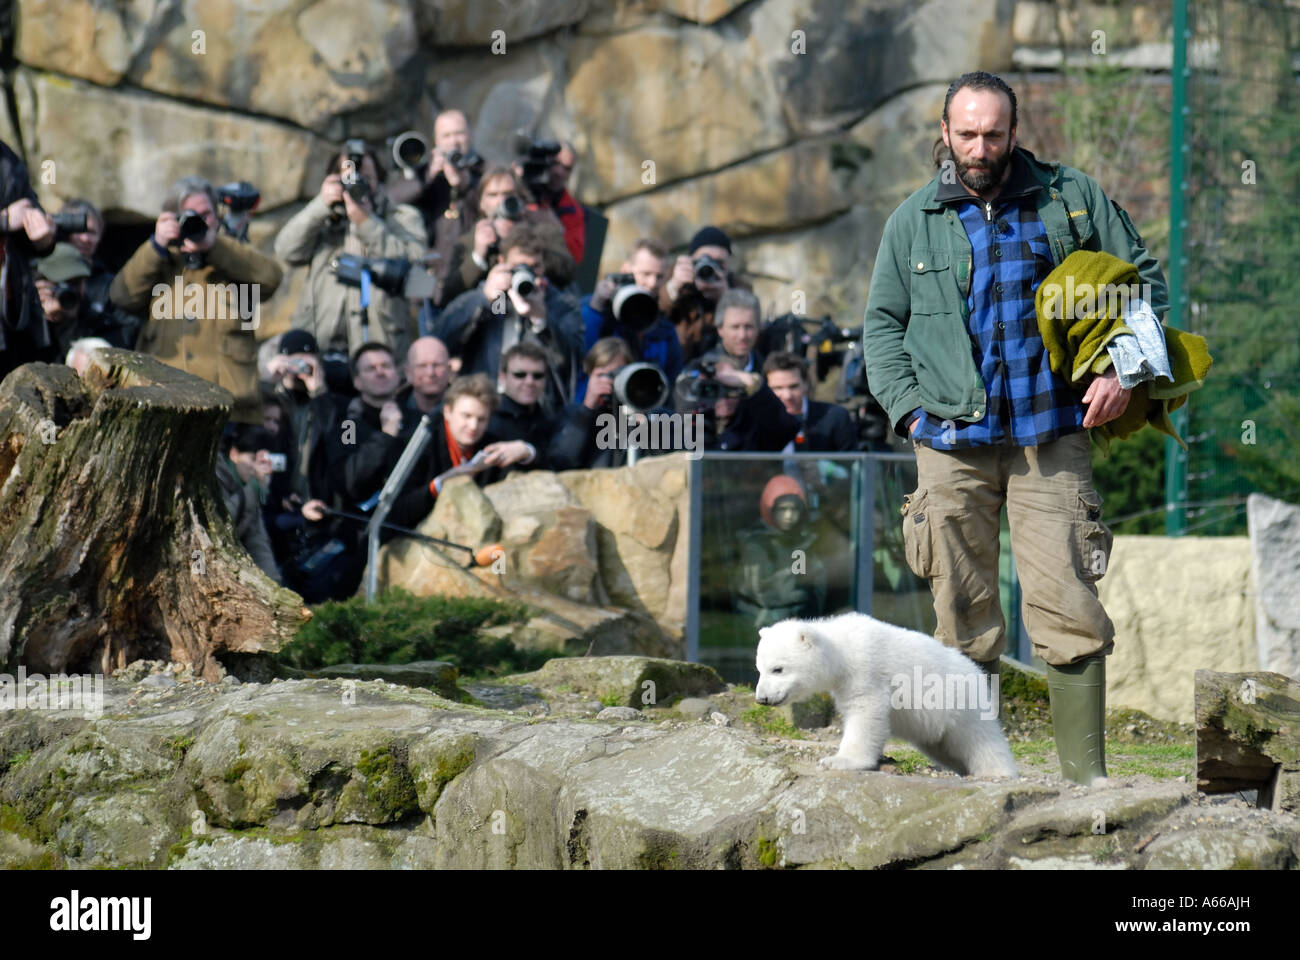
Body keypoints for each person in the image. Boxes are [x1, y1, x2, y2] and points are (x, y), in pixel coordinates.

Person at [862, 71, 1169, 786]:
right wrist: (909, 411)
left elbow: (1144, 282)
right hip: (949, 442)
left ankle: (1085, 790)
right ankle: (976, 787)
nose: (979, 147)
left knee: (1068, 604)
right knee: (959, 616)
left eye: (992, 133)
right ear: (944, 132)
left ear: (1014, 132)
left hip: (1052, 432)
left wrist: (1124, 372)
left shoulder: (1070, 200)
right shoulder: (911, 221)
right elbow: (881, 326)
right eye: (965, 133)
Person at [111, 176, 283, 423]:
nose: (199, 221)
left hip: (229, 412)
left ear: (217, 216)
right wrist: (156, 245)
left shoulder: (232, 254)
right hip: (163, 405)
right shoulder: (160, 260)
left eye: (206, 214)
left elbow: (271, 279)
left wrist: (215, 246)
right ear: (172, 219)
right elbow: (121, 296)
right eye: (189, 214)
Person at [273, 142, 428, 388]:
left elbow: (416, 263)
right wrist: (320, 206)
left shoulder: (402, 217)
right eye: (349, 177)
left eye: (365, 177)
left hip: (379, 358)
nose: (357, 183)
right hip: (318, 351)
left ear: (379, 180)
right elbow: (286, 250)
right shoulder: (324, 220)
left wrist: (366, 223)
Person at [341, 373, 534, 533]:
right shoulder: (417, 444)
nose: (473, 426)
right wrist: (439, 484)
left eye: (481, 419)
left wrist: (526, 451)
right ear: (448, 412)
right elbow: (395, 513)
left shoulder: (491, 443)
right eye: (466, 416)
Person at [432, 218, 583, 415]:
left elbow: (574, 361)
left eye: (535, 266)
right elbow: (440, 340)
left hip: (538, 413)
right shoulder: (495, 300)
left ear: (544, 266)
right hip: (485, 406)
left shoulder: (560, 304)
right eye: (520, 266)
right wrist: (484, 298)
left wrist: (542, 322)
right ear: (502, 262)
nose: (529, 274)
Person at [581, 238, 683, 391]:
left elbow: (671, 382)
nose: (653, 283)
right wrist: (596, 309)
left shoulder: (664, 328)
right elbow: (582, 356)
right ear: (625, 270)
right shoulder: (595, 309)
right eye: (645, 274)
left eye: (659, 276)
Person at [389, 108, 482, 271]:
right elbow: (391, 198)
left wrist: (466, 184)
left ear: (471, 134)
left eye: (459, 133)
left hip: (470, 266)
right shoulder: (424, 172)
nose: (454, 142)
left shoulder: (484, 170)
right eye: (446, 135)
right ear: (436, 141)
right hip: (430, 268)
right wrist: (427, 177)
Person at [733, 475, 827, 629]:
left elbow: (803, 585)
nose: (789, 516)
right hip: (761, 621)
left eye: (794, 509)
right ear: (770, 509)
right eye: (783, 509)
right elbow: (758, 592)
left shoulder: (801, 546)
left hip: (798, 622)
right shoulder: (756, 545)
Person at [430, 166, 530, 310]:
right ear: (481, 203)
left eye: (508, 194)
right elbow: (448, 293)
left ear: (520, 198)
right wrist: (478, 255)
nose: (500, 202)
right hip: (490, 318)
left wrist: (519, 238)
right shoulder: (466, 242)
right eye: (493, 195)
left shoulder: (539, 231)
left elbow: (565, 270)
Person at [0, 138, 57, 378]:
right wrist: (3, 220)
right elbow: (9, 219)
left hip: (12, 312)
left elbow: (29, 213)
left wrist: (43, 238)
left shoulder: (6, 159)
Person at [56, 198, 140, 348]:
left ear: (100, 237)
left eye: (92, 232)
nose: (85, 238)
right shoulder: (40, 276)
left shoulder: (109, 285)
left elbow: (128, 329)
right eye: (78, 230)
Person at [662, 226, 738, 364]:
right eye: (704, 259)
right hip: (678, 360)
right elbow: (655, 312)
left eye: (719, 263)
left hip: (723, 363)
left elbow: (749, 325)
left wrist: (726, 297)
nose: (710, 267)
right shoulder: (673, 275)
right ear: (690, 260)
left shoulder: (736, 284)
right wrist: (674, 287)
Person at [216, 423, 281, 583]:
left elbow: (257, 541)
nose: (256, 468)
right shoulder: (215, 476)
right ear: (234, 454)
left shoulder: (249, 486)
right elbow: (220, 524)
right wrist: (254, 488)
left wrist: (274, 584)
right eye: (253, 459)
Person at [763, 351, 858, 452]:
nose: (787, 396)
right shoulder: (758, 422)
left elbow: (851, 463)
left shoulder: (836, 417)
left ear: (805, 384)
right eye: (778, 388)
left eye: (793, 386)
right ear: (766, 389)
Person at [489, 342, 554, 467]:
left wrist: (528, 452)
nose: (530, 382)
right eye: (520, 375)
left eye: (537, 376)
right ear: (502, 377)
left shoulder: (548, 418)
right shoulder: (487, 416)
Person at [703, 288, 764, 372]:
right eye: (735, 327)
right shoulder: (702, 368)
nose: (742, 335)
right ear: (720, 329)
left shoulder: (768, 371)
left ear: (758, 328)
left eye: (749, 327)